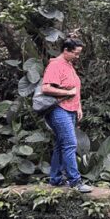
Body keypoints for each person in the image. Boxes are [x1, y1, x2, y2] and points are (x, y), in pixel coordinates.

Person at [42, 37, 92, 193]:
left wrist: (79, 107)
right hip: (59, 109)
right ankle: (75, 181)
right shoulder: (55, 65)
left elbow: (75, 89)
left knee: (60, 144)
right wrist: (67, 92)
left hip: (70, 109)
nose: (77, 57)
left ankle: (55, 179)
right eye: (76, 53)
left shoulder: (69, 64)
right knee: (70, 144)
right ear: (66, 50)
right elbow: (46, 88)